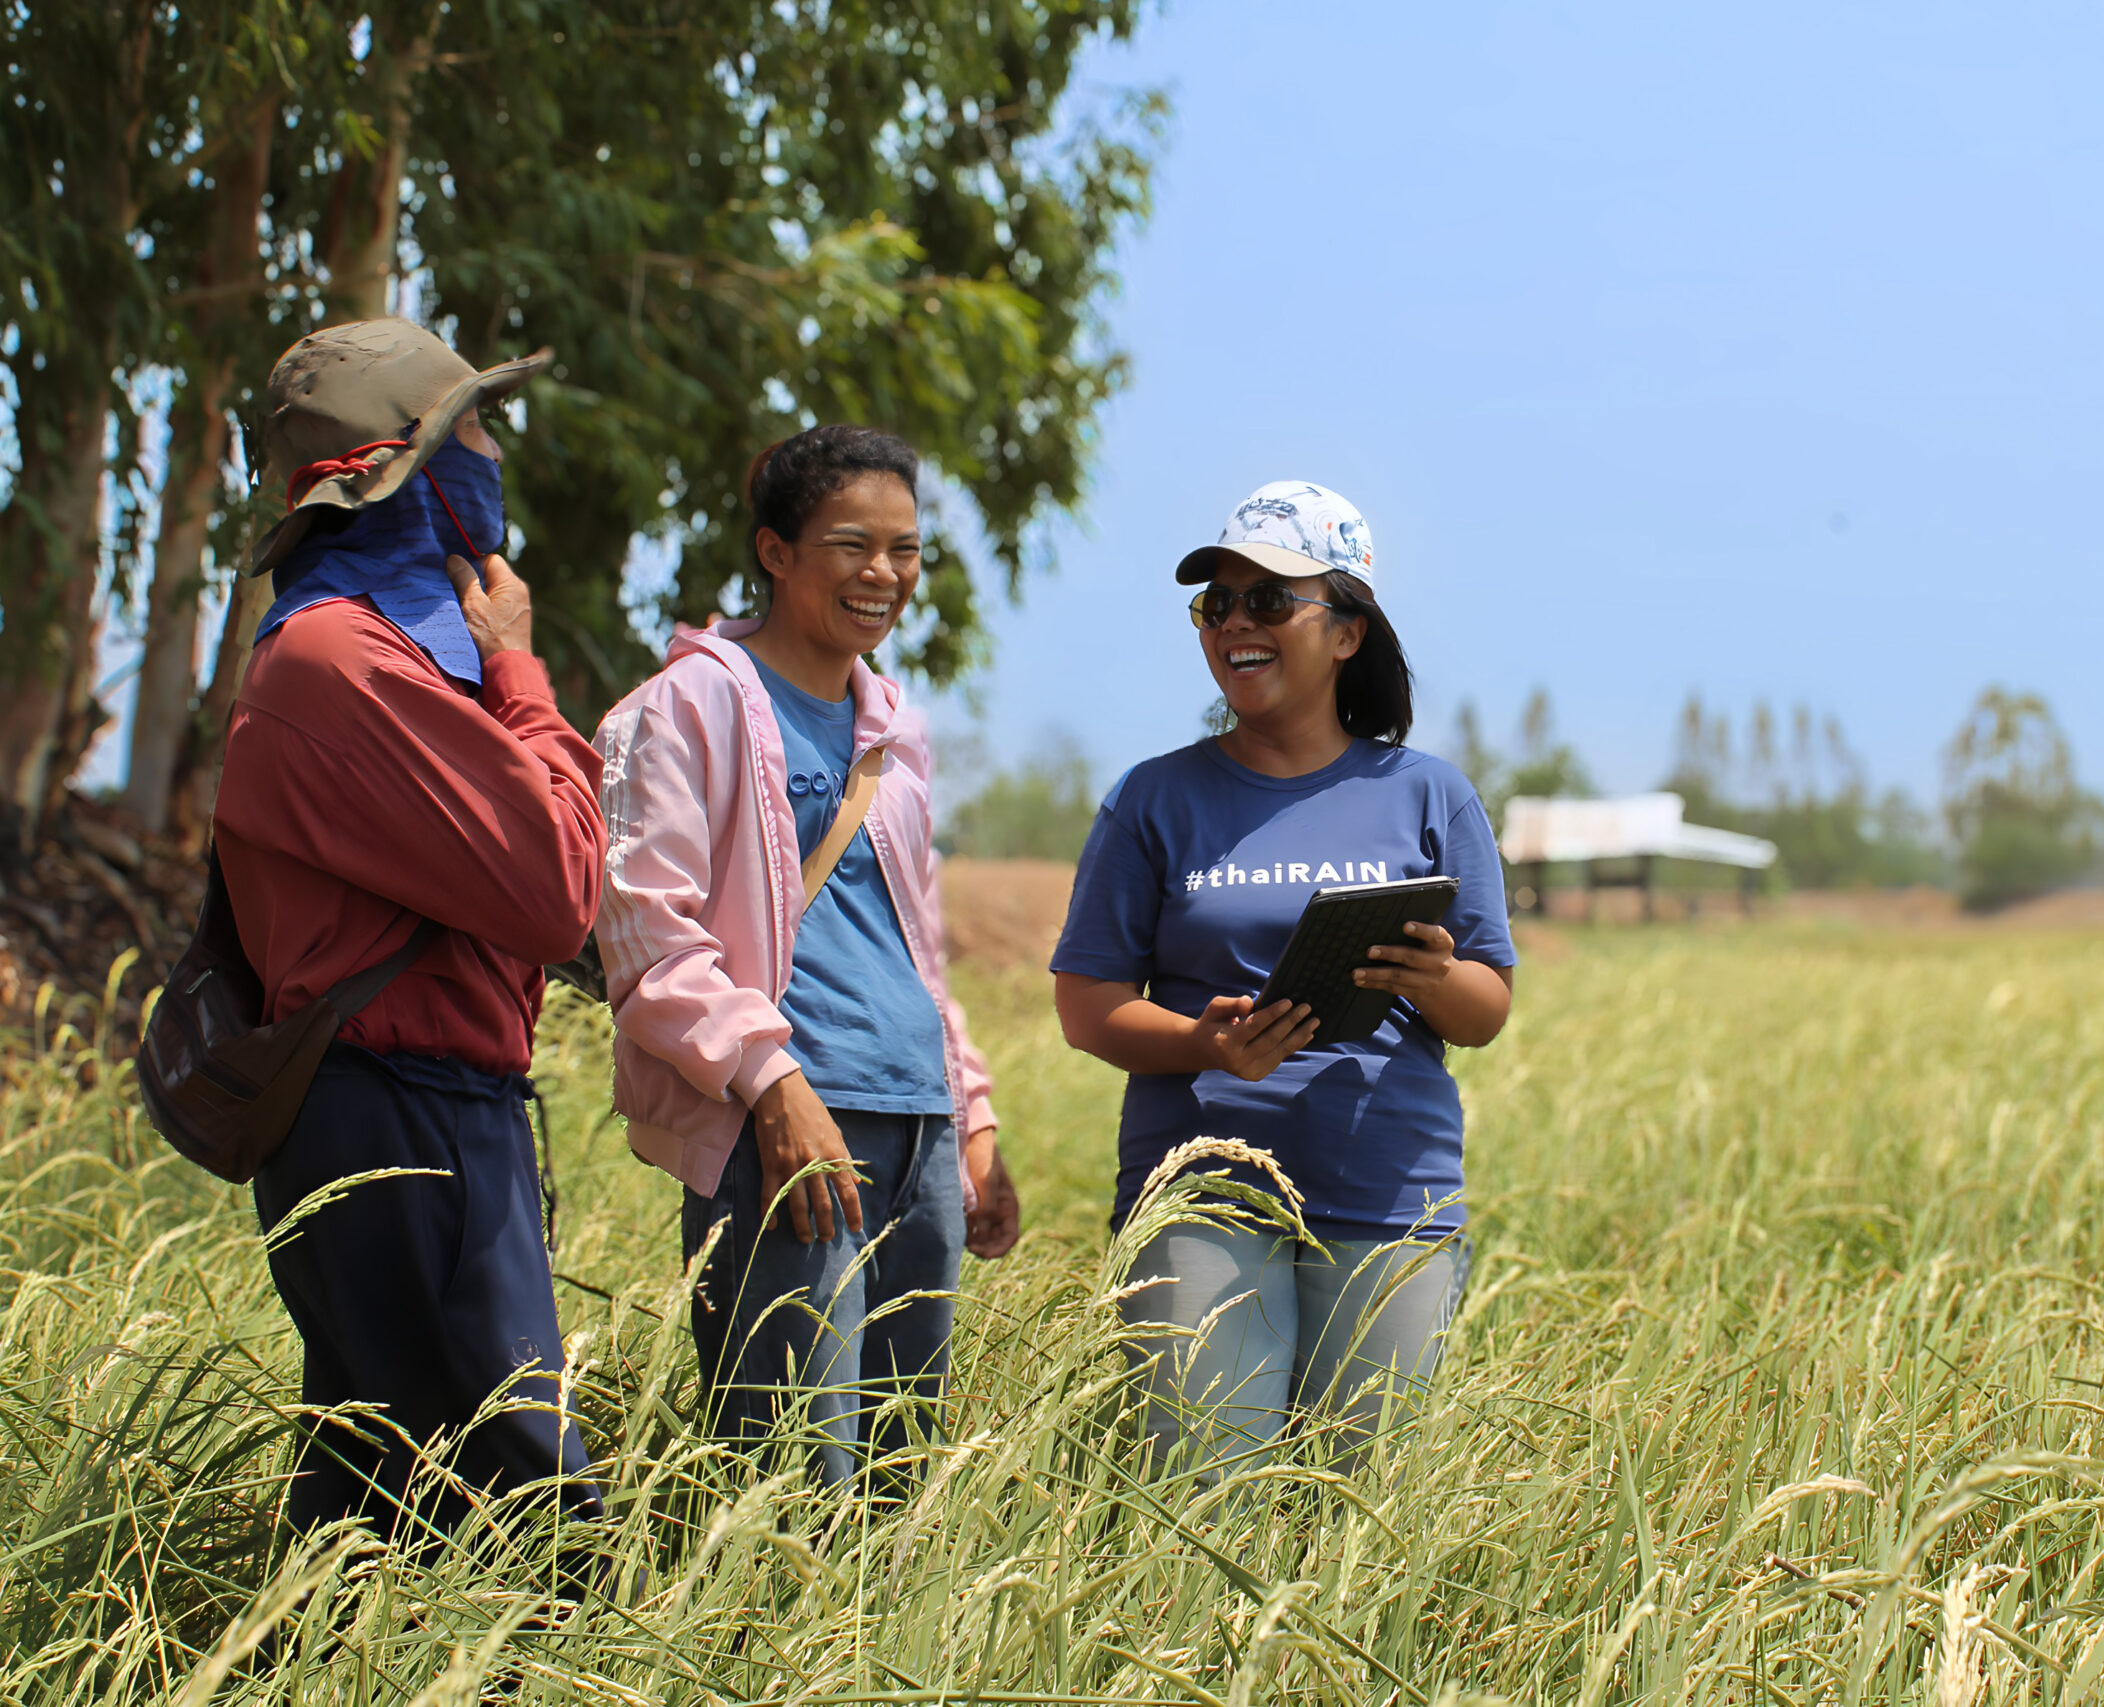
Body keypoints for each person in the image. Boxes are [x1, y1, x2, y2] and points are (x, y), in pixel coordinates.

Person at [215, 319, 603, 1541]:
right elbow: (555, 890)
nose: (494, 454)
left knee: (376, 1500)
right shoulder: (342, 658)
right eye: (473, 429)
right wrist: (520, 673)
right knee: (526, 1506)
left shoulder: (380, 653)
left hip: (432, 1110)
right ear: (408, 468)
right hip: (397, 1114)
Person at [1050, 480, 1516, 1478]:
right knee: (1204, 1504)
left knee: (1360, 1523)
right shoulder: (1154, 797)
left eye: (1270, 600)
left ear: (1347, 632)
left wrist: (1432, 978)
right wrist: (1199, 1045)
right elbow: (1085, 1005)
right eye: (1216, 603)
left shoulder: (1429, 793)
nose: (1235, 624)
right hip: (1202, 1192)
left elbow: (1486, 1009)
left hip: (1390, 1195)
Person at [594, 424, 1021, 1485]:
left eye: (905, 550)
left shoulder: (894, 732)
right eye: (850, 545)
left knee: (898, 1470)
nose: (883, 575)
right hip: (785, 1123)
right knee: (790, 1474)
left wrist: (971, 1115)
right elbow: (648, 934)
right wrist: (773, 1085)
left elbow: (915, 944)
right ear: (775, 552)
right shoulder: (685, 707)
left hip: (916, 1127)